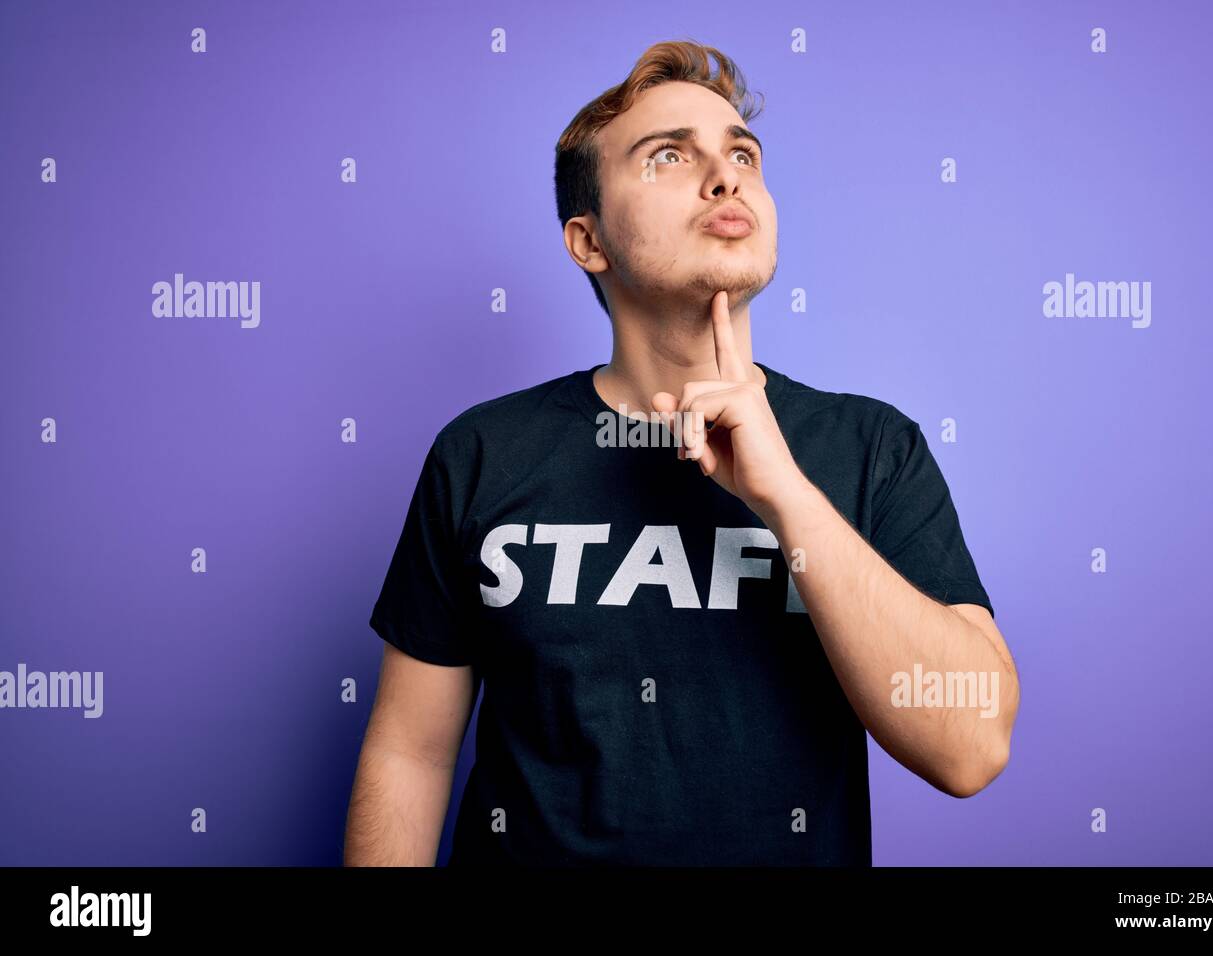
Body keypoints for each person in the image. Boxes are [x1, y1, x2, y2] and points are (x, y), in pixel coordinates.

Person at [344, 39, 1018, 867]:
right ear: (588, 242)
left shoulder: (872, 449)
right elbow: (409, 753)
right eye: (669, 156)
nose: (726, 176)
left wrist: (786, 497)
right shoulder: (481, 453)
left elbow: (972, 745)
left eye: (742, 154)